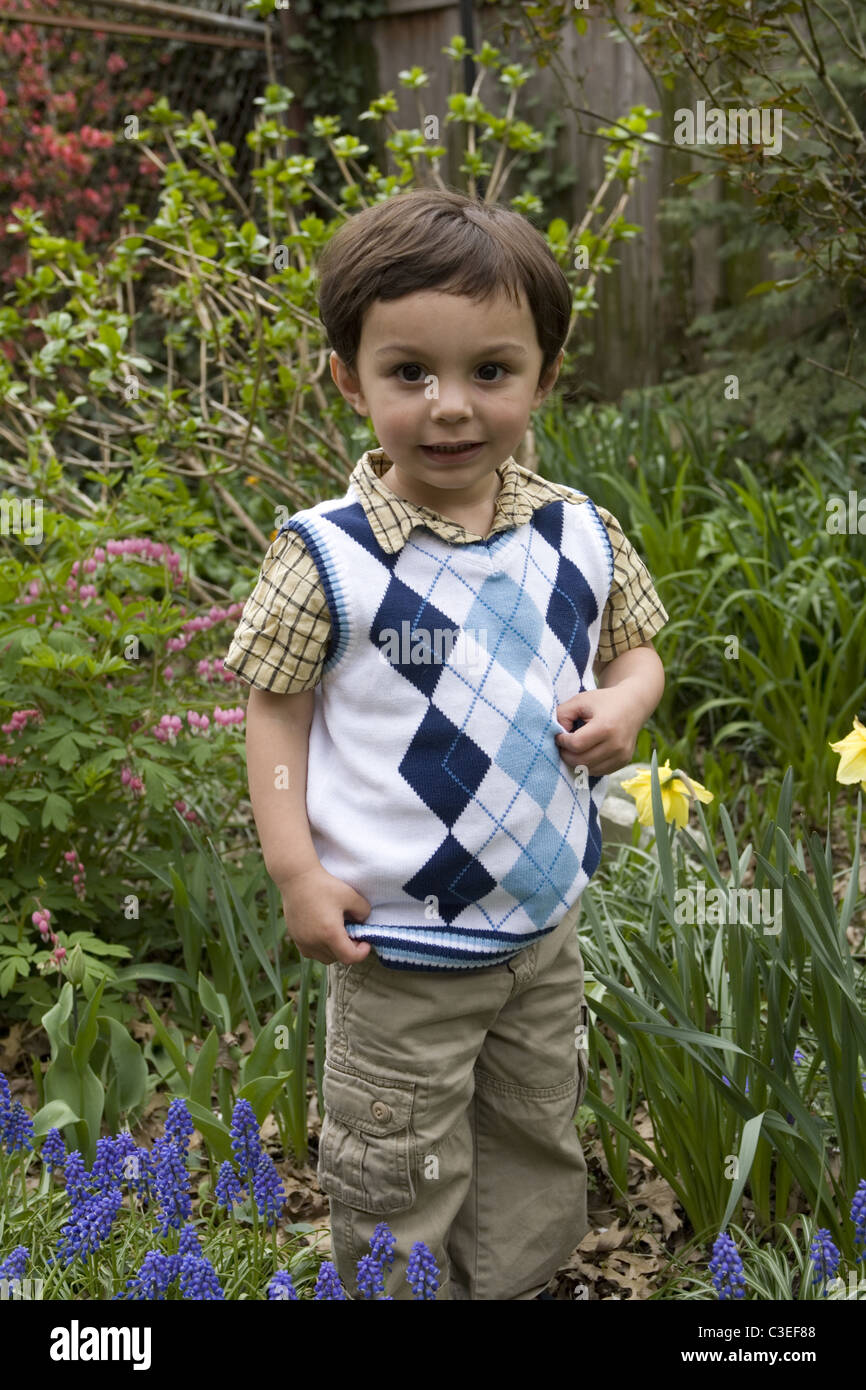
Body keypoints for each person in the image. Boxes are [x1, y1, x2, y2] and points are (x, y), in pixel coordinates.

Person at [224, 187, 668, 1300]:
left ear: (543, 377)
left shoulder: (579, 529)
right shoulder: (327, 556)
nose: (449, 408)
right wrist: (294, 869)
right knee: (399, 1166)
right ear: (347, 376)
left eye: (489, 372)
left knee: (530, 1142)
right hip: (400, 948)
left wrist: (626, 706)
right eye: (408, 372)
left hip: (540, 929)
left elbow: (637, 652)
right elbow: (273, 709)